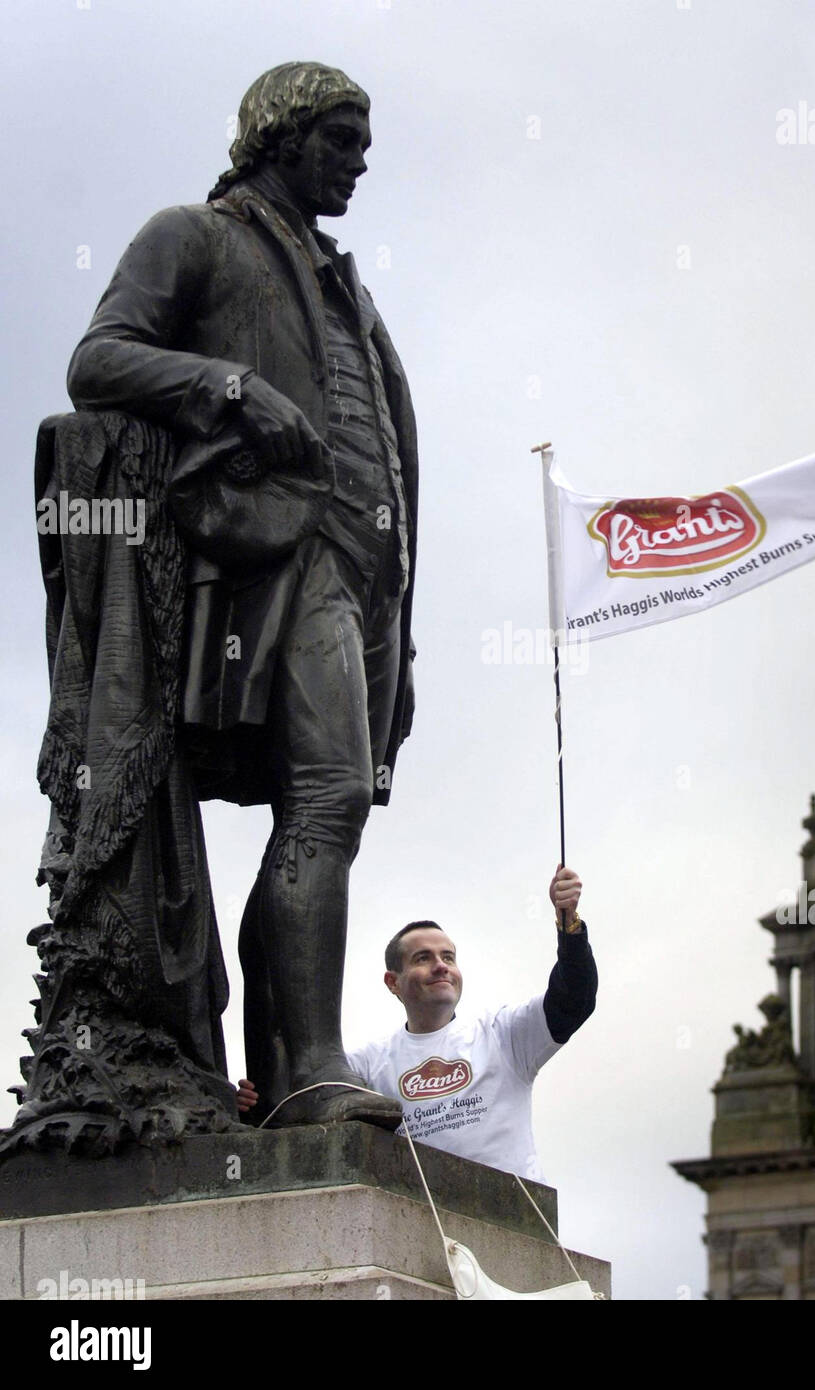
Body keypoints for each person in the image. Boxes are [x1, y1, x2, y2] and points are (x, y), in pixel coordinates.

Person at [64, 61, 418, 1128]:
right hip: (271, 553)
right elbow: (99, 359)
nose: (360, 160)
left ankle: (288, 1073)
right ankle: (310, 1064)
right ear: (279, 133)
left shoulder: (349, 285)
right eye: (342, 138)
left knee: (325, 808)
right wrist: (230, 384)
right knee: (327, 797)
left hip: (363, 573)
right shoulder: (196, 234)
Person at [238, 866, 597, 1178]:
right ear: (393, 982)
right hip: (418, 1226)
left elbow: (573, 1000)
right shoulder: (364, 1064)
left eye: (448, 957)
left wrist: (569, 927)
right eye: (423, 958)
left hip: (514, 1217)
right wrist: (256, 1104)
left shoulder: (503, 1033)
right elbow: (301, 1105)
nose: (441, 966)